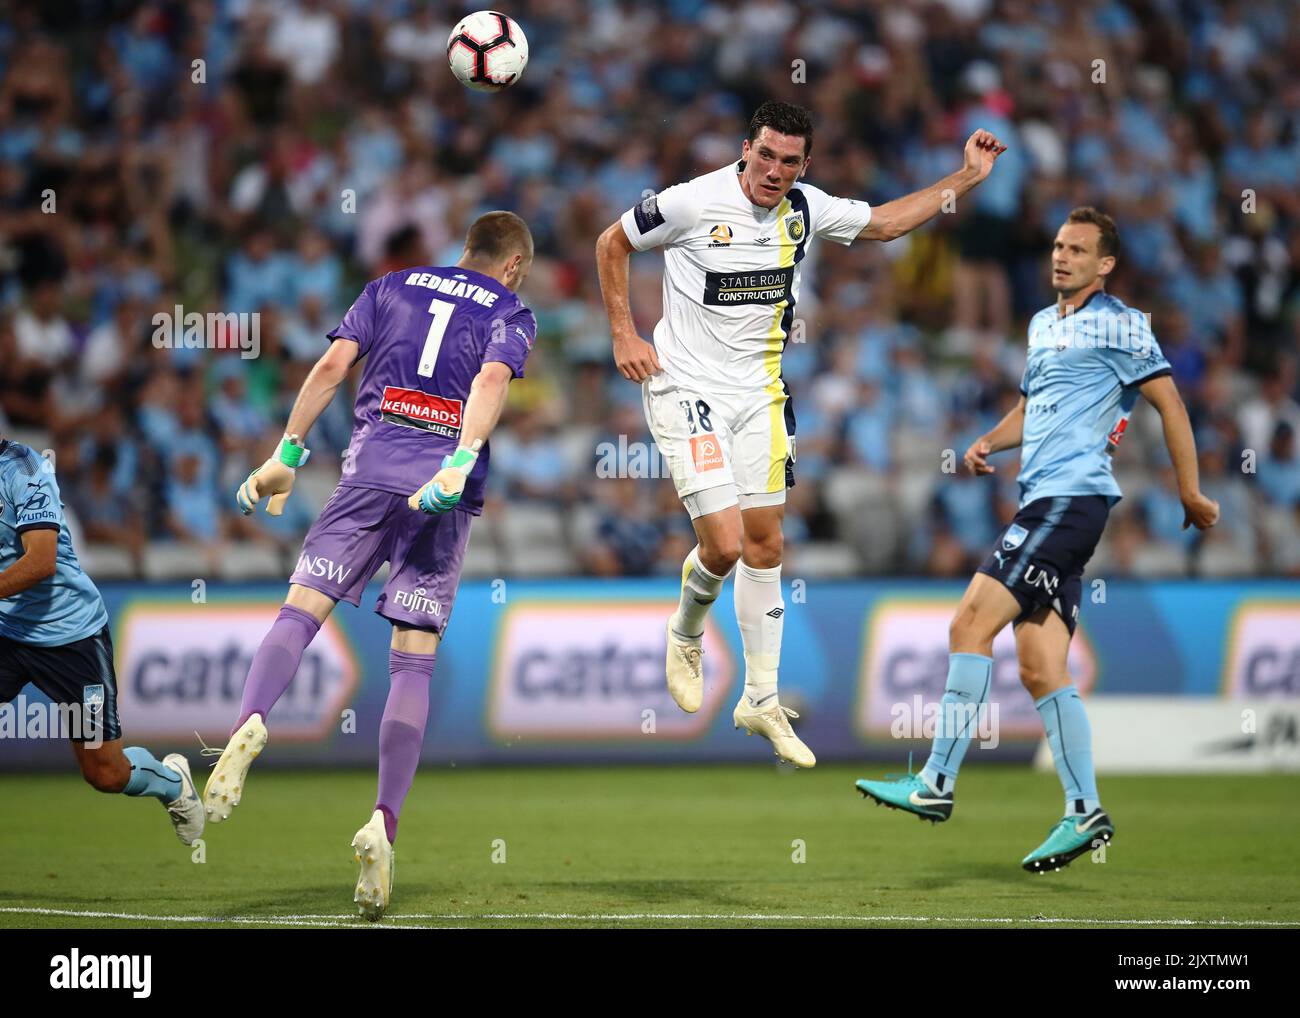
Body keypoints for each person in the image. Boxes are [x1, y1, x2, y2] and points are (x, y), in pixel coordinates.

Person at [595, 99, 1006, 767]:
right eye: (766, 156)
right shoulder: (692, 202)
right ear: (745, 149)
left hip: (759, 395)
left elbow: (887, 224)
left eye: (790, 161)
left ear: (803, 164)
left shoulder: (805, 208)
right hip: (686, 388)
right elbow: (611, 242)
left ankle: (760, 698)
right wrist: (622, 332)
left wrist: (966, 178)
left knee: (765, 541)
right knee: (722, 546)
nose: (775, 170)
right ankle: (686, 629)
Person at [855, 207, 1220, 871]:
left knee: (969, 623)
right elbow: (1036, 403)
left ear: (1105, 264)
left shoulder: (1124, 324)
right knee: (1039, 667)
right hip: (1050, 503)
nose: (1061, 257)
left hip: (1070, 499)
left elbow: (1170, 405)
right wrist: (990, 440)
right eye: (1057, 246)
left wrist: (1188, 491)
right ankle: (1084, 810)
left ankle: (935, 782)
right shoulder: (1041, 325)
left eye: (1078, 250)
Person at [202, 211, 537, 919]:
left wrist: (284, 455)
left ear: (464, 249)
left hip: (365, 476)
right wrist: (460, 458)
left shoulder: (388, 287)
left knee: (299, 614)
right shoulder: (510, 308)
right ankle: (382, 822)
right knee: (411, 663)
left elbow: (329, 367)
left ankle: (251, 720)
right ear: (512, 266)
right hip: (441, 493)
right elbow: (492, 382)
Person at [0, 438, 204, 845]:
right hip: (6, 633)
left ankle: (172, 783)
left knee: (105, 772)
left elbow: (41, 561)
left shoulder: (25, 470)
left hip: (70, 636)